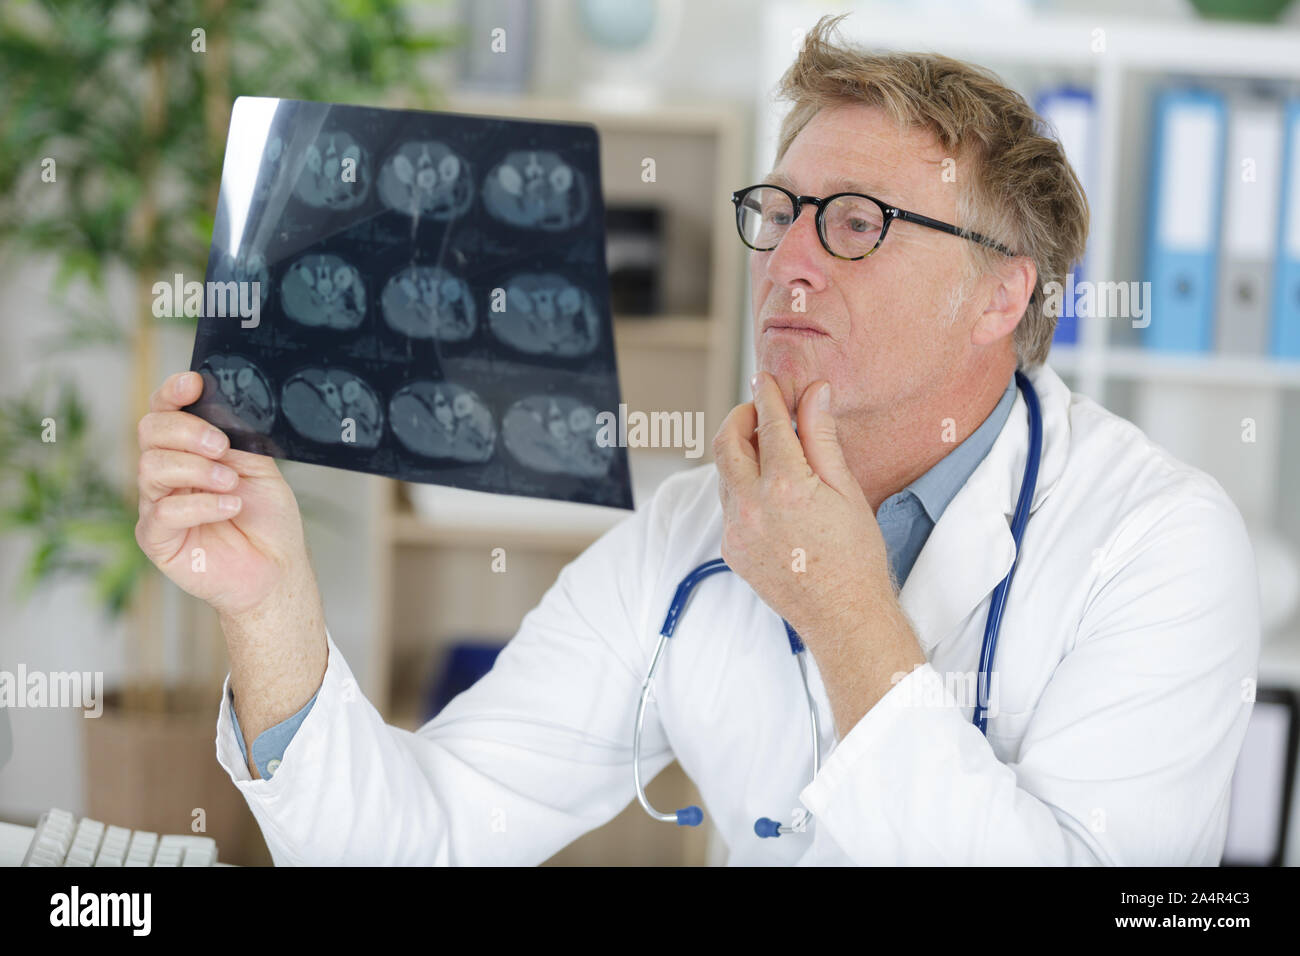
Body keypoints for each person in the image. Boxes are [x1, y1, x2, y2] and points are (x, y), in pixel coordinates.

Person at [134, 16, 1259, 865]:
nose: (789, 260)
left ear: (1002, 294)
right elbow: (418, 834)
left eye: (857, 221)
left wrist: (842, 607)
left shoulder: (1157, 543)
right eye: (776, 211)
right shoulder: (690, 527)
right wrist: (266, 604)